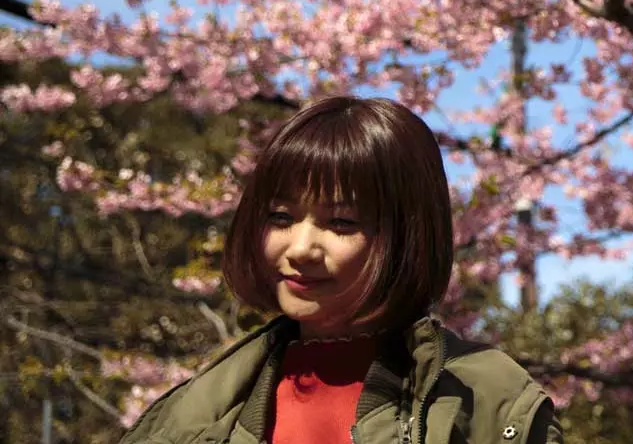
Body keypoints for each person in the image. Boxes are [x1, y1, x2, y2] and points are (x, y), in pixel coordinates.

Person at [119, 95, 563, 444]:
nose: (302, 248)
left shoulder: (488, 403)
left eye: (341, 222)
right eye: (280, 217)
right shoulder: (190, 415)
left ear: (408, 234)